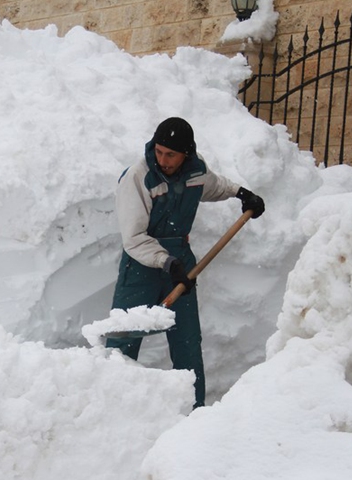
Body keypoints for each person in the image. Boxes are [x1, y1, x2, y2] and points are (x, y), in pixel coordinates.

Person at [107, 117, 265, 409]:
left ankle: (195, 414)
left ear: (187, 154)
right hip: (141, 265)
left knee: (187, 342)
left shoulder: (195, 170)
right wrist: (166, 262)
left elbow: (213, 185)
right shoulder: (138, 178)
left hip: (180, 261)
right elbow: (133, 238)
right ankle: (113, 408)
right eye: (159, 151)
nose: (163, 160)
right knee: (123, 339)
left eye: (171, 155)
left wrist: (241, 194)